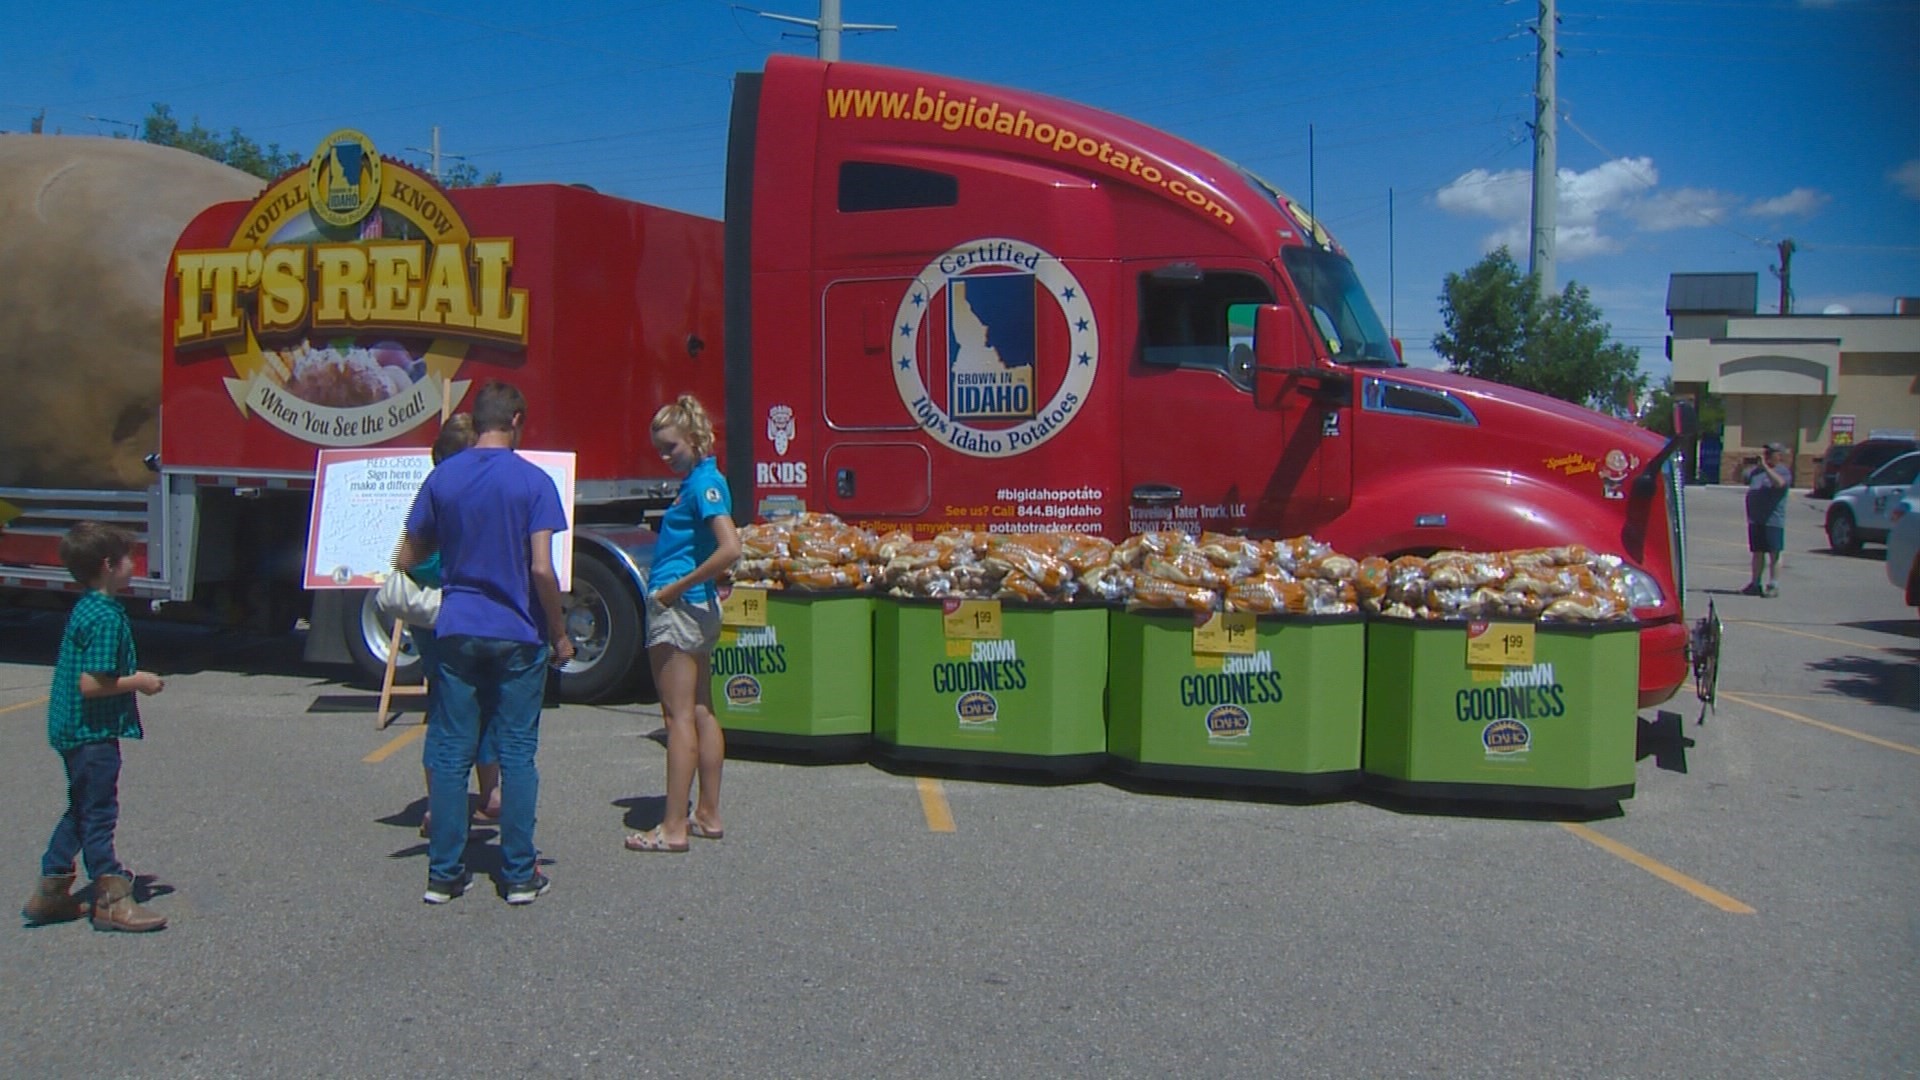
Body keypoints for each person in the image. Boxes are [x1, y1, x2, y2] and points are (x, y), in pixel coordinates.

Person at [397, 381, 574, 905]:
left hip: (457, 627)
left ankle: (444, 874)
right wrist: (559, 633)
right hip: (517, 630)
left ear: (476, 423)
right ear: (516, 420)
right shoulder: (534, 482)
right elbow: (541, 568)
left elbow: (411, 551)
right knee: (517, 752)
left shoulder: (443, 478)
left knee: (452, 749)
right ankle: (518, 873)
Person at [20, 522, 168, 932]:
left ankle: (51, 890)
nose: (134, 564)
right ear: (108, 565)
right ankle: (111, 895)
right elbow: (91, 684)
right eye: (128, 558)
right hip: (91, 733)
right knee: (99, 811)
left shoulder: (88, 606)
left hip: (72, 728)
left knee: (83, 807)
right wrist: (140, 681)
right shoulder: (104, 616)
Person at [625, 395, 741, 853]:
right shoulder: (706, 480)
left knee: (677, 719)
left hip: (680, 608)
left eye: (671, 447)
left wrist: (675, 588)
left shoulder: (702, 485)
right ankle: (707, 812)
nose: (665, 457)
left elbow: (730, 547)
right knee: (700, 711)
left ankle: (673, 826)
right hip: (699, 607)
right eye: (660, 449)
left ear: (694, 438)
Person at [405, 413, 501, 837]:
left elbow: (411, 558)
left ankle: (457, 800)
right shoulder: (453, 490)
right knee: (470, 704)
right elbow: (418, 560)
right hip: (459, 611)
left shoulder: (438, 488)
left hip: (453, 614)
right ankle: (458, 801)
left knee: (452, 708)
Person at [1743, 441, 1791, 597]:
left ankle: (1773, 585)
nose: (1767, 456)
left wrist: (1766, 468)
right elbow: (1741, 478)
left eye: (1771, 453)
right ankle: (1755, 583)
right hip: (1756, 519)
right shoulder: (1757, 472)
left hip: (1773, 520)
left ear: (1779, 456)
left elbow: (1779, 483)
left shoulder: (1783, 471)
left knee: (1774, 553)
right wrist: (1744, 465)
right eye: (1766, 453)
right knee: (1757, 553)